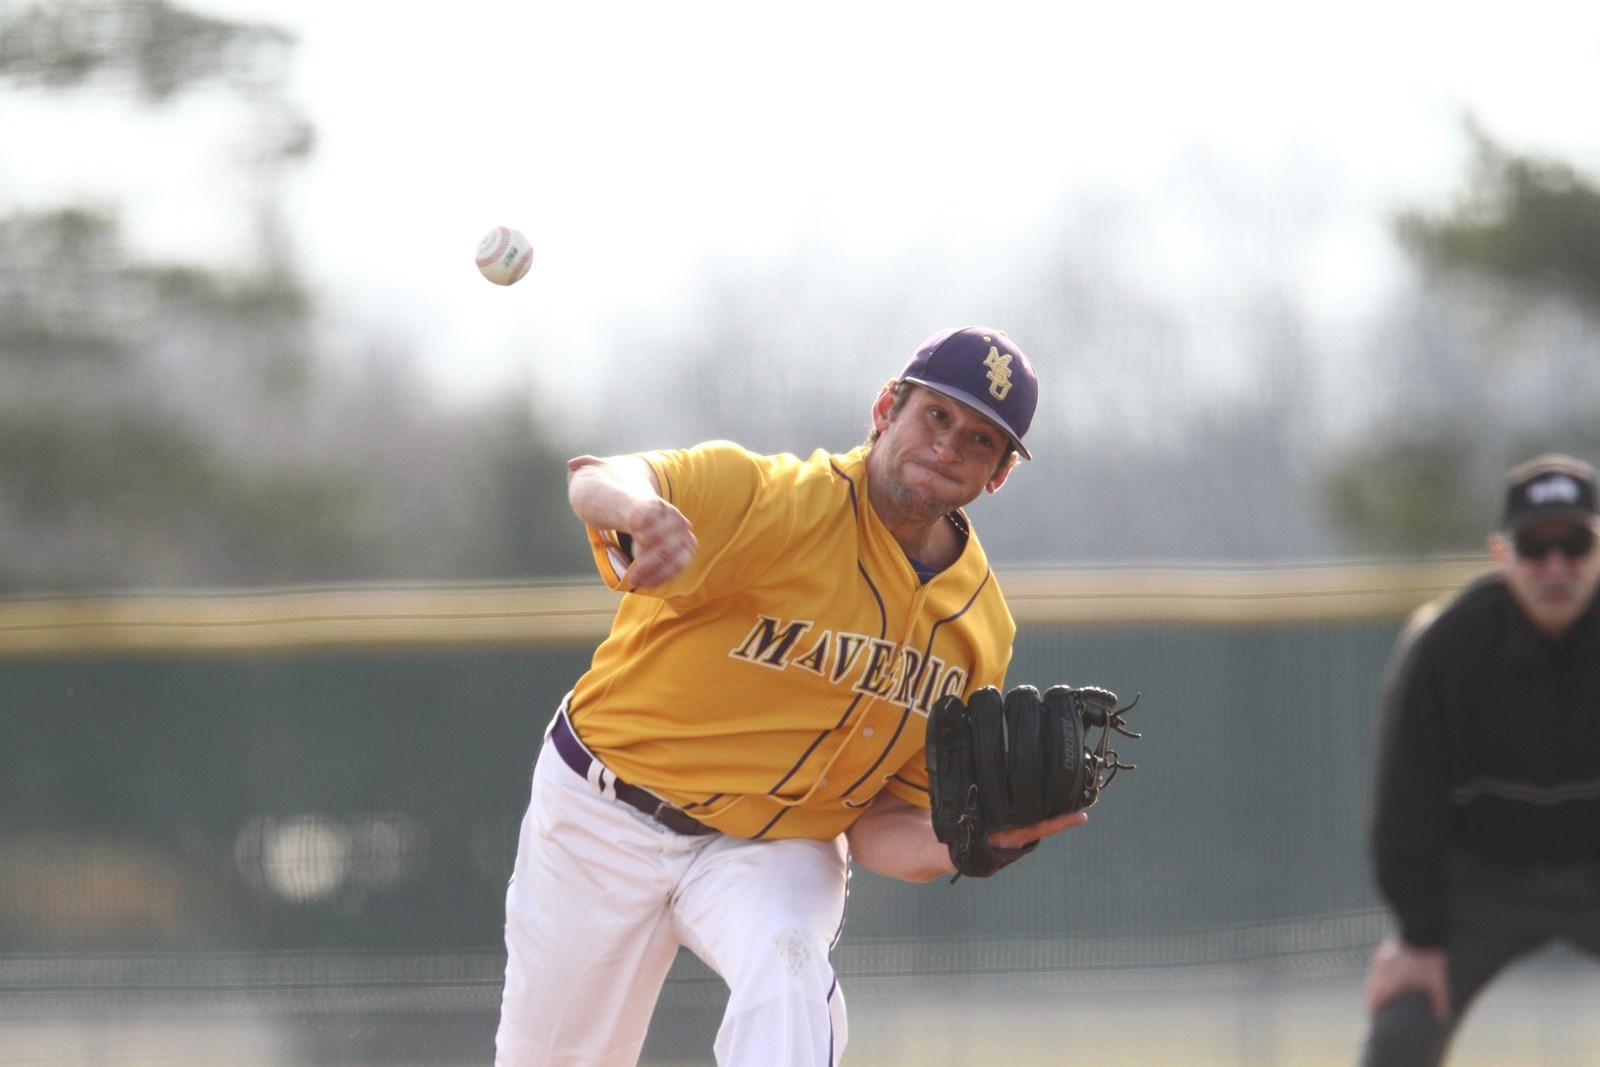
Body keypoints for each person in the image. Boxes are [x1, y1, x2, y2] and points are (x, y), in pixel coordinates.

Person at [494, 327, 1087, 1067]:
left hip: (774, 846)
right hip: (604, 811)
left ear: (997, 473)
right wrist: (640, 513)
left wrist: (965, 842)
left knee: (789, 975)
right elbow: (597, 476)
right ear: (885, 409)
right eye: (936, 416)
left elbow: (876, 822)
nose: (948, 446)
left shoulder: (977, 633)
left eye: (978, 440)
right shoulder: (771, 500)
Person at [1359, 453, 1600, 1066]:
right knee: (1401, 1032)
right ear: (1501, 555)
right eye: (1534, 547)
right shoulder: (1447, 645)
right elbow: (1404, 805)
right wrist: (1418, 935)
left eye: (1574, 545)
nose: (1555, 567)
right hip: (1485, 880)